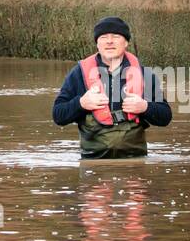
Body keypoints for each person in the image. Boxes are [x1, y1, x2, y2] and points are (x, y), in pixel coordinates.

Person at [52, 16, 171, 158]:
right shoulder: (78, 74)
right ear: (97, 43)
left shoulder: (145, 74)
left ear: (126, 42)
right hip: (93, 162)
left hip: (135, 162)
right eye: (103, 37)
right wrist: (80, 103)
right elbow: (58, 115)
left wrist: (145, 107)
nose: (109, 41)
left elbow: (165, 117)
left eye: (115, 36)